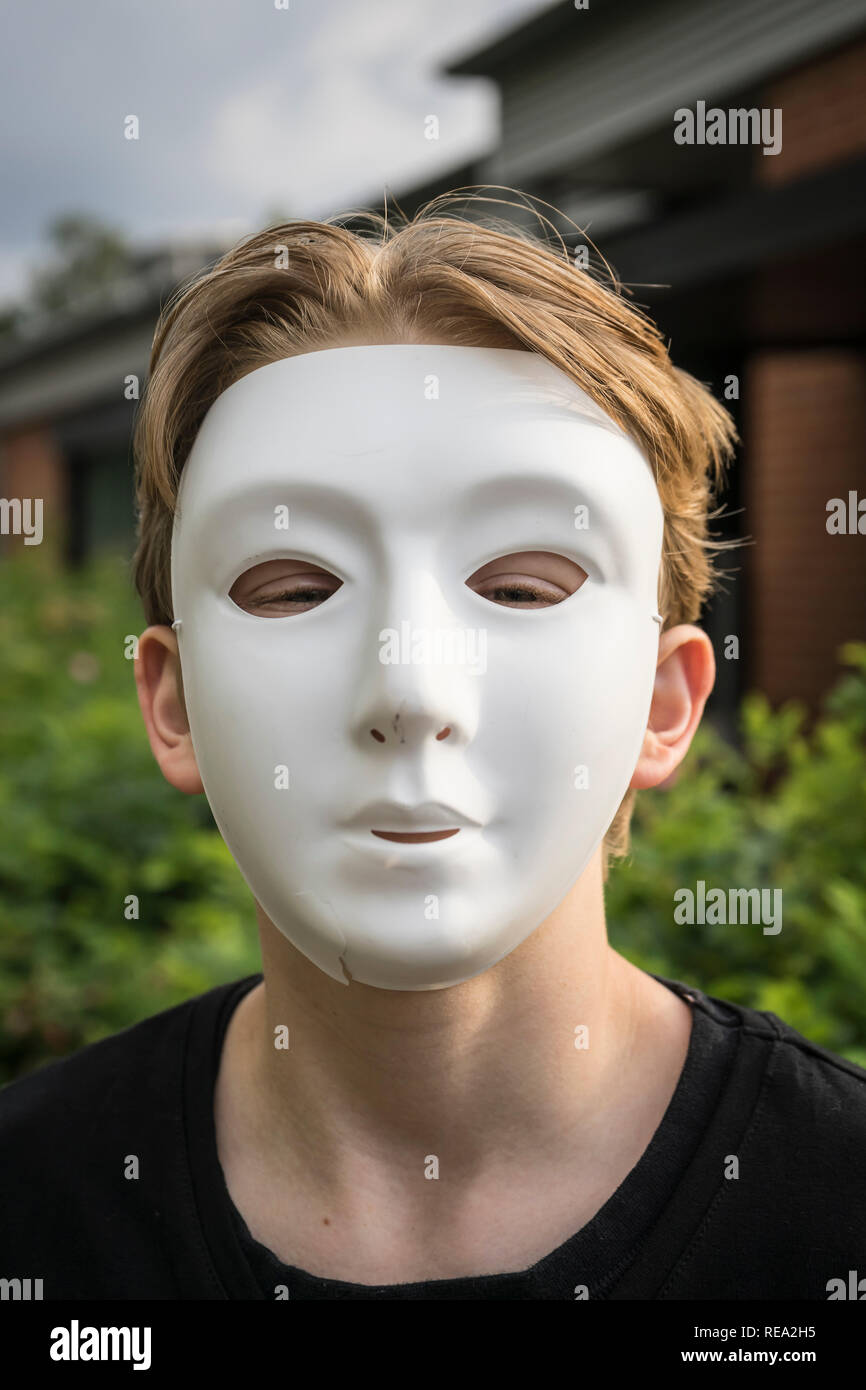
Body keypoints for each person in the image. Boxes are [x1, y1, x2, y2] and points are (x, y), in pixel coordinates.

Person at [1, 193, 864, 1301]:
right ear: (173, 705)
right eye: (294, 586)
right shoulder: (29, 1216)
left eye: (518, 585)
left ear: (662, 703)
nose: (407, 687)